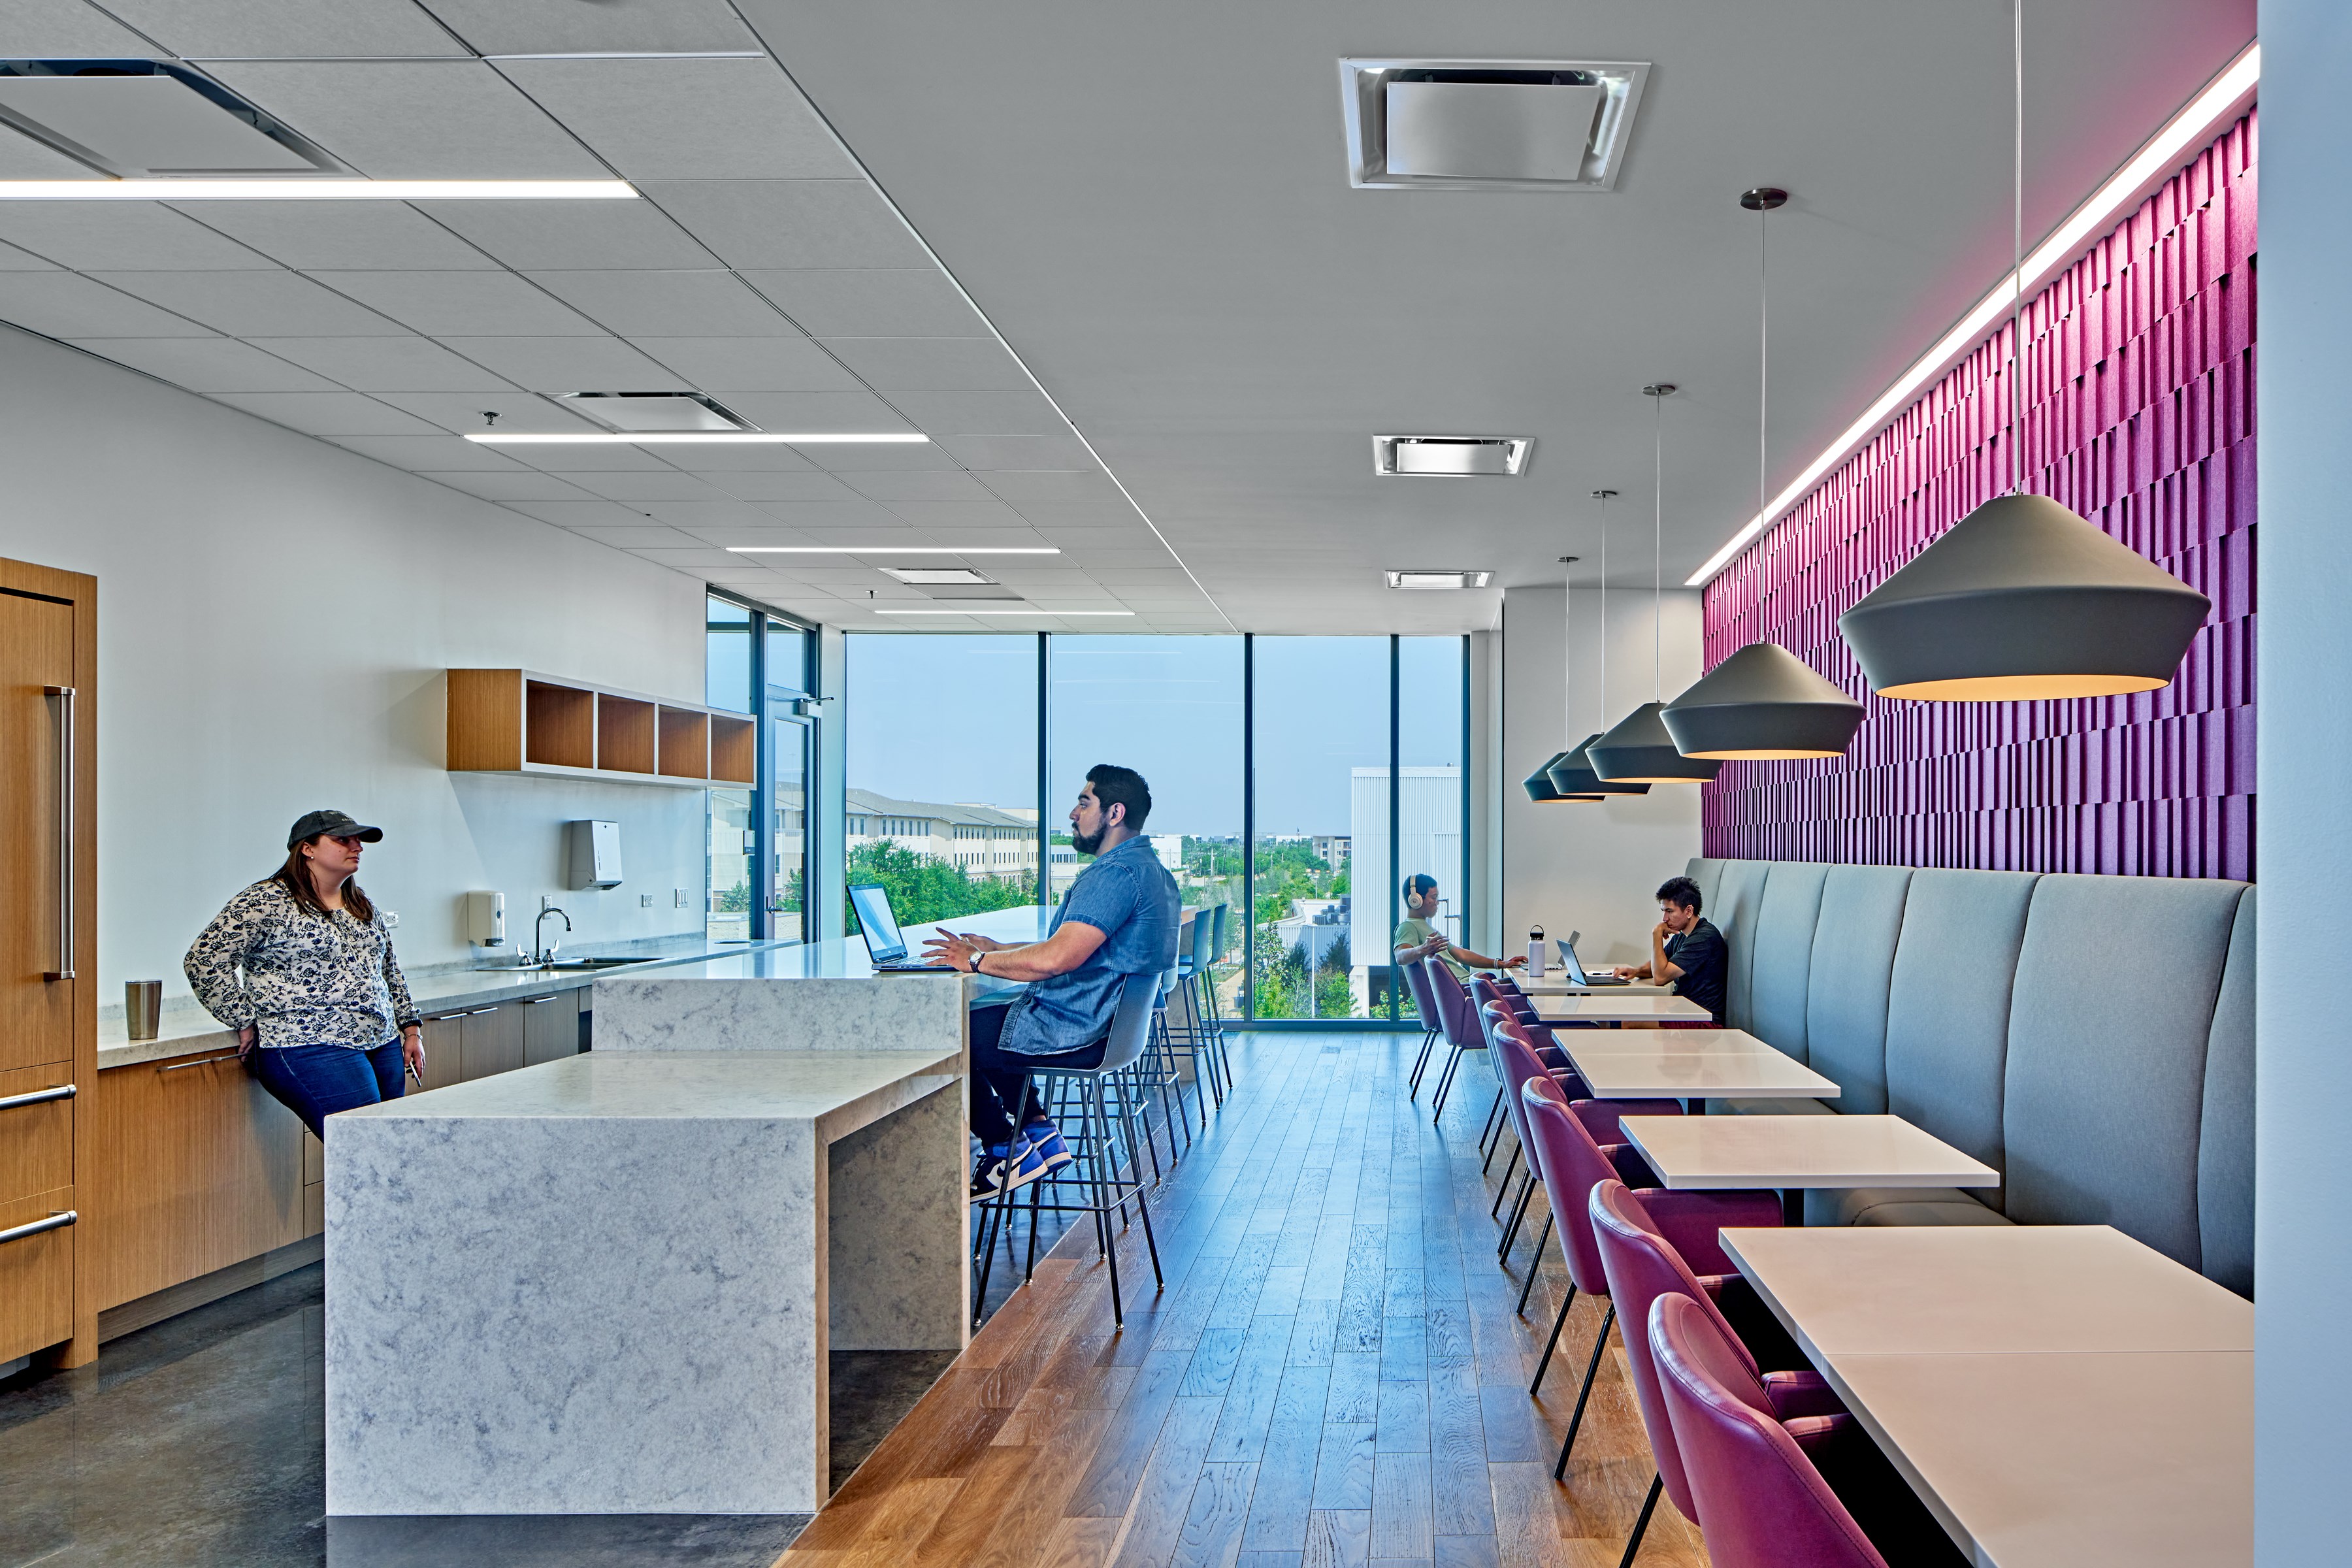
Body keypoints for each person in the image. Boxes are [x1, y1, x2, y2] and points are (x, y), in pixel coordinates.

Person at [924, 764, 1180, 1195]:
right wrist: (1000, 950)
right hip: (1111, 1028)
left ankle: (1004, 1149)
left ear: (1114, 813)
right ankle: (1038, 1130)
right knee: (988, 1019)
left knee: (945, 1032)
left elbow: (1059, 959)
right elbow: (1076, 945)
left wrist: (978, 961)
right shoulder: (1153, 871)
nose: (1073, 814)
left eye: (1084, 803)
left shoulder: (1115, 874)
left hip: (1075, 1026)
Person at [184, 810, 425, 1139]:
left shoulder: (359, 901)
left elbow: (389, 968)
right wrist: (242, 1017)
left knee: (392, 1146)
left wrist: (411, 1029)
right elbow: (204, 960)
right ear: (307, 849)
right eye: (343, 840)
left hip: (381, 1041)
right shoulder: (267, 901)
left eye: (358, 840)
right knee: (367, 1146)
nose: (357, 847)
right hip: (308, 1043)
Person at [1614, 874, 1727, 1024]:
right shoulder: (1683, 935)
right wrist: (1636, 971)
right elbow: (1658, 966)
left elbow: (1660, 978)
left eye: (1670, 911)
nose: (1664, 919)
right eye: (1664, 911)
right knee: (1619, 1015)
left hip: (1703, 1021)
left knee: (1627, 1023)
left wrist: (1656, 934)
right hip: (1683, 1012)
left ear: (1689, 911)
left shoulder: (1704, 938)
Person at [1392, 874, 1526, 980]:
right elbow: (1400, 956)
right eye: (1434, 897)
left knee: (1512, 985)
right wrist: (1424, 949)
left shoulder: (1427, 929)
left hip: (1466, 985)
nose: (1437, 902)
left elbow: (1461, 955)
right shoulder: (1407, 927)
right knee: (1523, 994)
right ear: (1415, 900)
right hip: (1463, 989)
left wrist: (1500, 963)